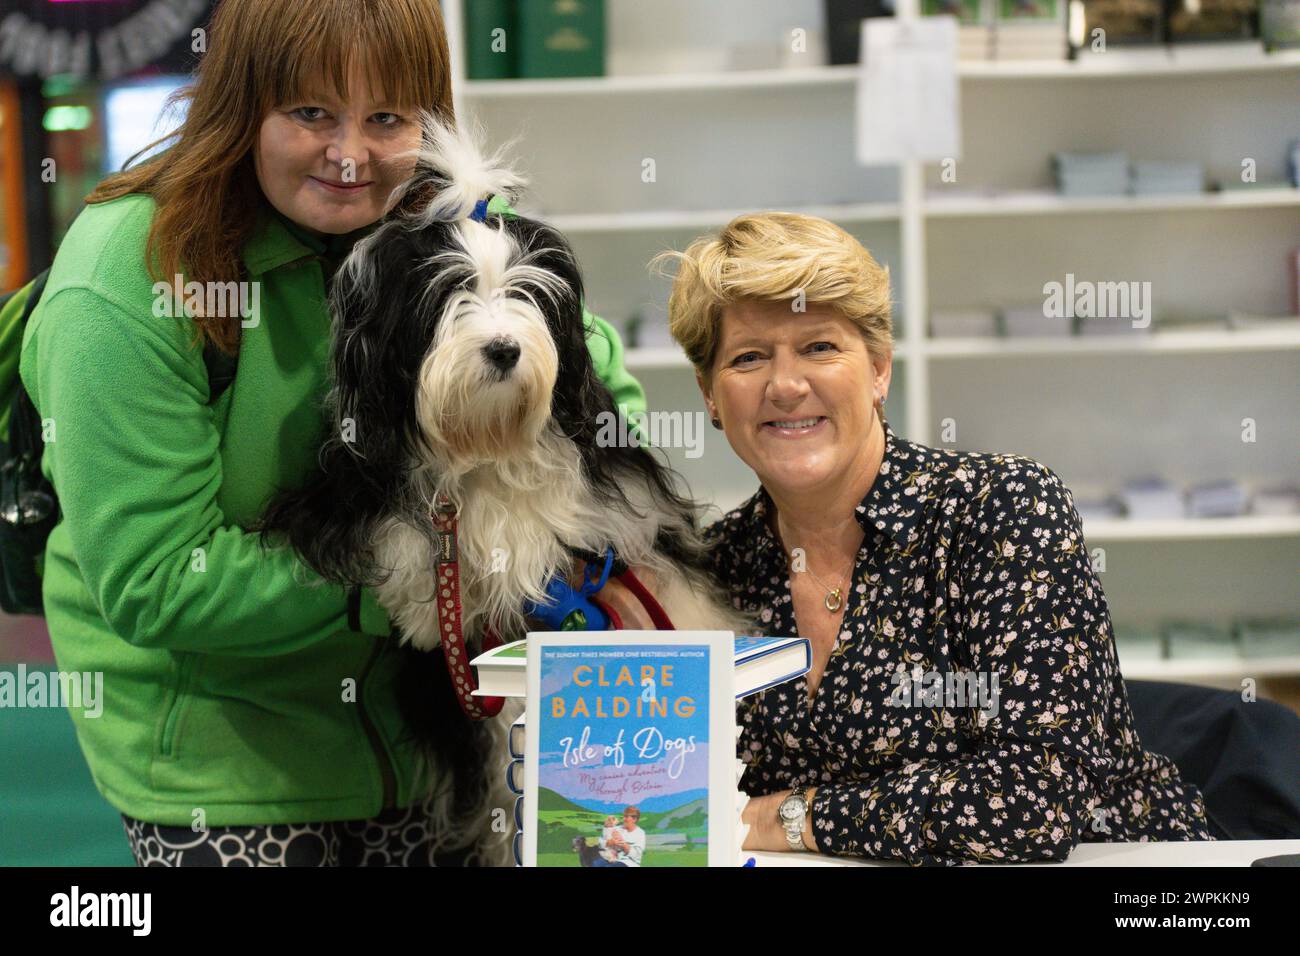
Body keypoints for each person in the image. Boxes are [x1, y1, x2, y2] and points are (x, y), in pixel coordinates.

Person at [20, 0, 645, 867]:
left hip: (446, 736)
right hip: (236, 771)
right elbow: (156, 582)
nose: (351, 156)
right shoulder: (131, 274)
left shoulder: (445, 219)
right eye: (310, 113)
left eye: (385, 118)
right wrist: (418, 575)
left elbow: (603, 400)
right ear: (242, 105)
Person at [659, 212, 1214, 865]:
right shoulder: (710, 567)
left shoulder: (1002, 511)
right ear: (711, 396)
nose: (785, 385)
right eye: (749, 358)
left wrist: (792, 815)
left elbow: (1034, 801)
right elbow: (682, 795)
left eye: (819, 347)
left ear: (878, 371)